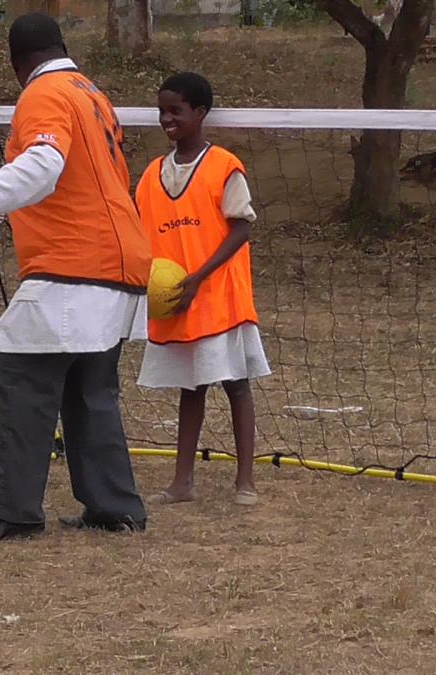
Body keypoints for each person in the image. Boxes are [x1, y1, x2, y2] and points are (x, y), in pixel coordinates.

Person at [0, 12, 150, 542]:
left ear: (18, 63)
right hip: (124, 262)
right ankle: (116, 505)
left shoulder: (42, 94)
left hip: (74, 262)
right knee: (91, 387)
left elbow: (44, 166)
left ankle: (14, 511)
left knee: (18, 370)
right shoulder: (90, 92)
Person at [134, 73, 269, 507]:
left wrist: (199, 278)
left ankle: (245, 480)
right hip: (176, 302)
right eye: (162, 111)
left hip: (219, 297)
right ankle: (181, 483)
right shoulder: (153, 174)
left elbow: (241, 228)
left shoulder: (224, 167)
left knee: (235, 383)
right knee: (190, 388)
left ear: (200, 113)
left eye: (176, 110)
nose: (167, 119)